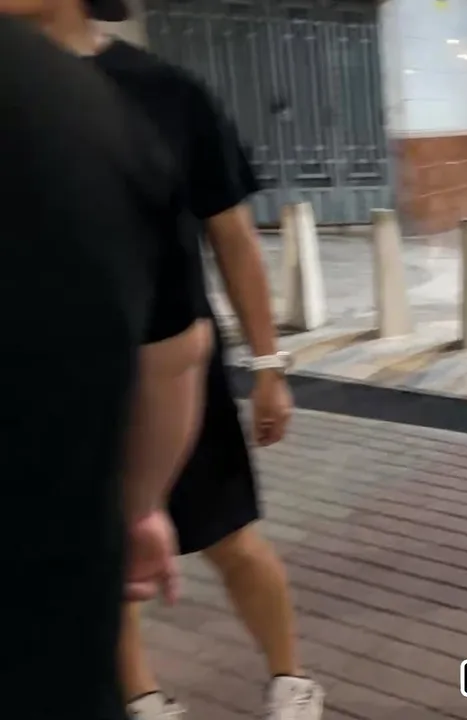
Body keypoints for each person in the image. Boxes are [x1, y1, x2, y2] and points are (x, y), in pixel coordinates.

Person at [12, 1, 323, 718]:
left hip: (175, 368)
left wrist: (269, 367)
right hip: (59, 381)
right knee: (102, 559)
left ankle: (291, 679)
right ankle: (145, 697)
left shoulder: (167, 92)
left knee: (231, 538)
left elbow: (233, 238)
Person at [1, 14, 212, 720]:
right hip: (48, 608)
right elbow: (176, 355)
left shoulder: (156, 90)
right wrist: (138, 504)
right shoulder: (88, 109)